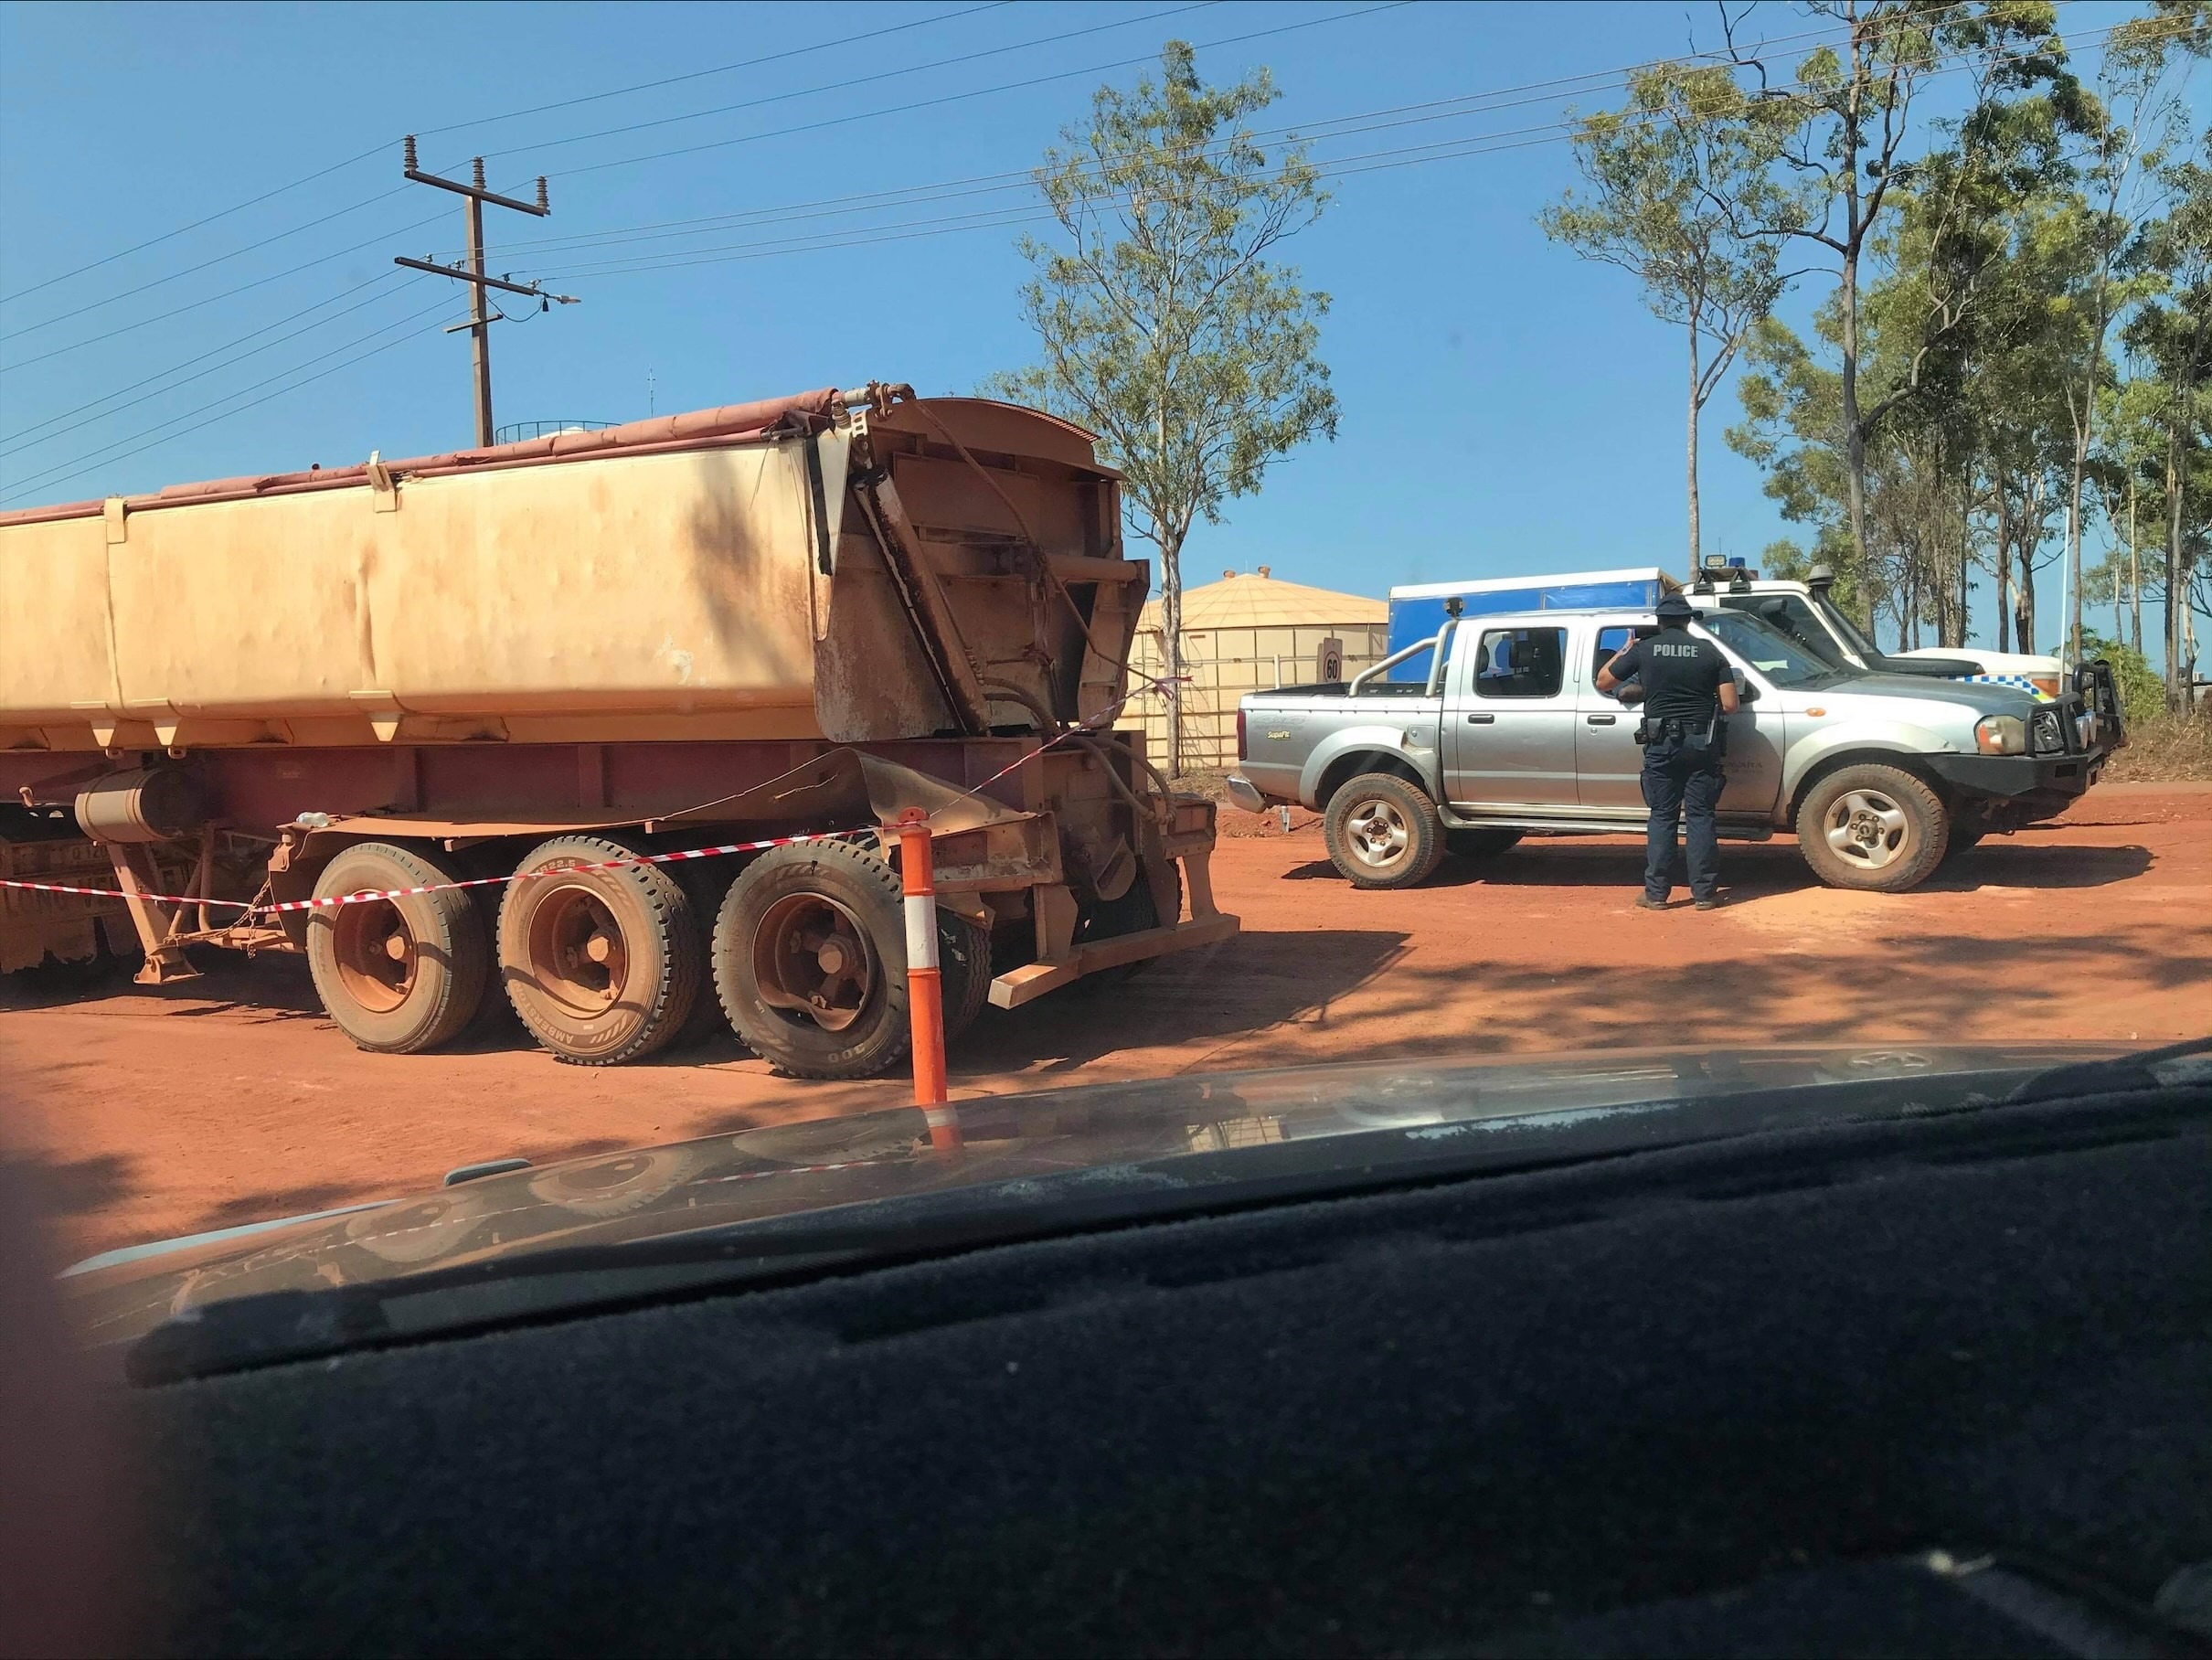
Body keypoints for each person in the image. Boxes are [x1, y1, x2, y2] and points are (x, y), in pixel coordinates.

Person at [1596, 593, 1739, 910]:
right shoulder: (1710, 652)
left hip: (1661, 745)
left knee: (1662, 817)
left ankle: (1657, 895)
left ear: (1659, 622)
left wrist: (1624, 651)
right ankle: (1704, 894)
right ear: (1688, 621)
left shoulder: (1645, 650)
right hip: (1702, 745)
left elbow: (1604, 681)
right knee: (1701, 817)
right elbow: (1730, 704)